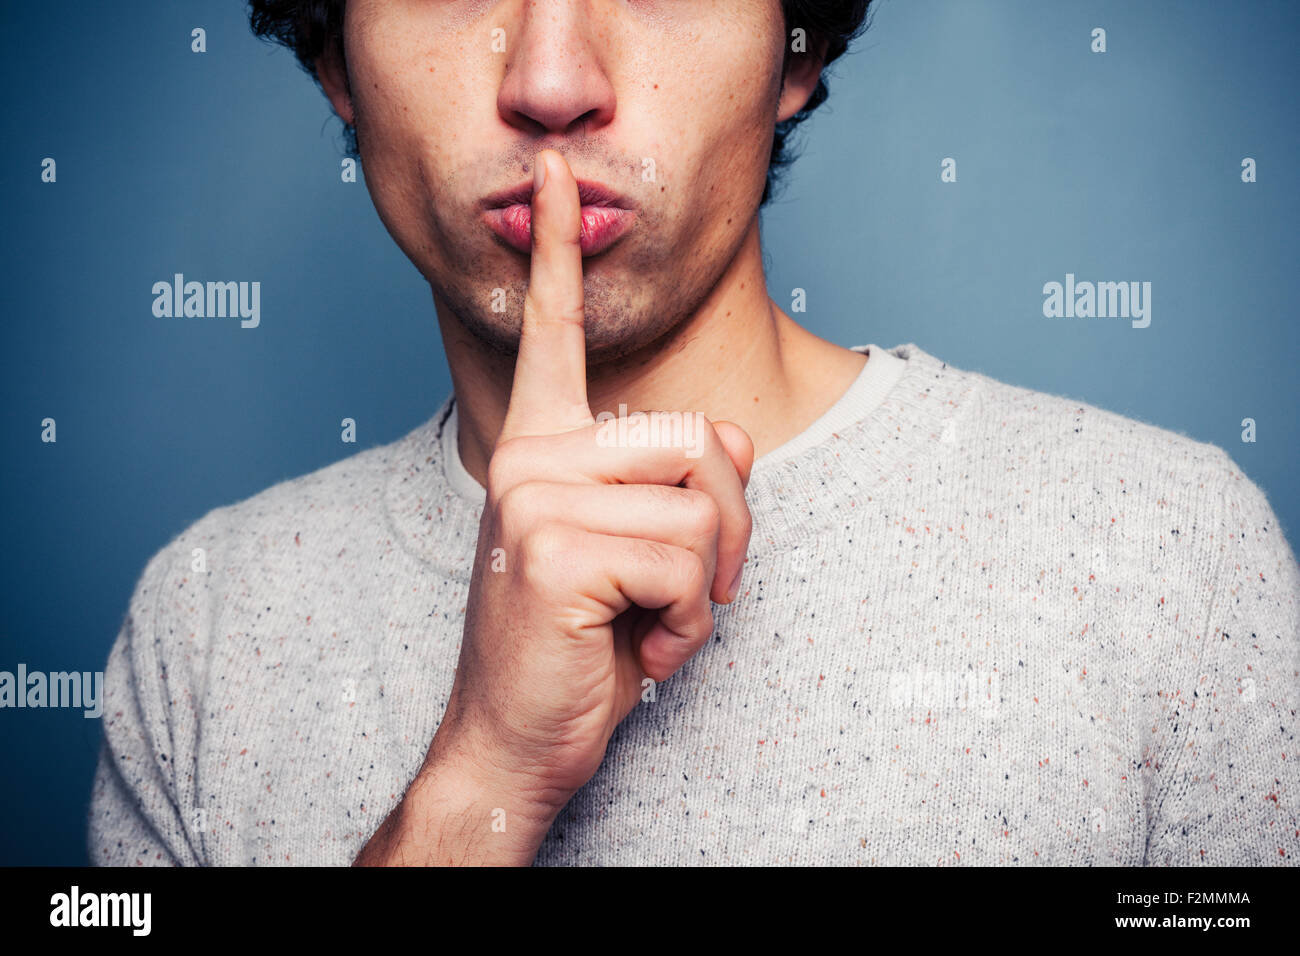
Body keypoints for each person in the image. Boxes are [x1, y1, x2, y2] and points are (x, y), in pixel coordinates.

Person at [88, 0, 1297, 866]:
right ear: (335, 58)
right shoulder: (202, 625)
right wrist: (477, 790)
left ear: (796, 46)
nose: (552, 81)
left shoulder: (1165, 555)